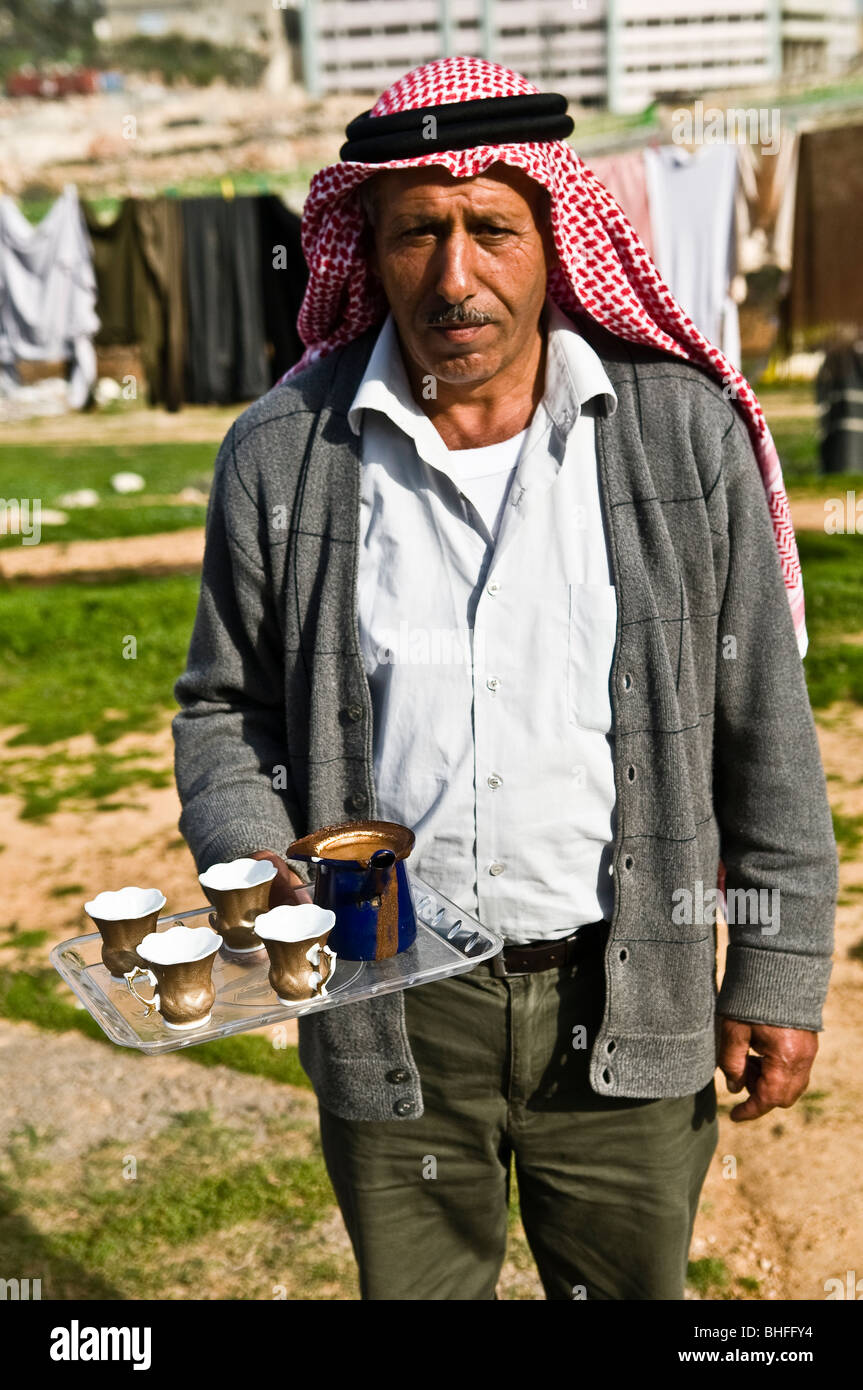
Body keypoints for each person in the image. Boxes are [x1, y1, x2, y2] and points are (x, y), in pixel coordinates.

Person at [172, 57, 838, 1301]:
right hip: (387, 1002)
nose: (454, 275)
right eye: (417, 231)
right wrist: (256, 854)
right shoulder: (282, 455)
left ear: (554, 238)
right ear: (364, 246)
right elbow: (225, 708)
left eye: (492, 227)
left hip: (627, 987)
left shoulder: (675, 435)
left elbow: (762, 724)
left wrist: (778, 966)